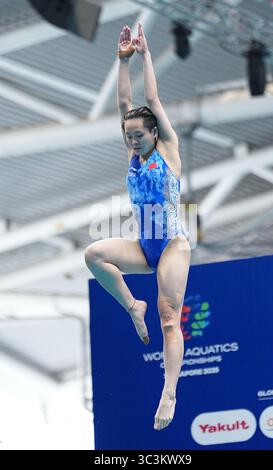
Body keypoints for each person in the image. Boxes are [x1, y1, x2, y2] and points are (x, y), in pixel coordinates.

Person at [85, 23, 191, 431]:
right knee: (93, 255)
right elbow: (125, 102)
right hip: (143, 243)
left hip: (171, 246)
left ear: (153, 134)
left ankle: (169, 392)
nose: (130, 140)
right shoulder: (131, 147)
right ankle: (133, 307)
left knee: (169, 317)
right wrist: (120, 60)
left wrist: (146, 55)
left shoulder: (167, 151)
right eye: (127, 135)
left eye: (137, 135)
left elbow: (150, 99)